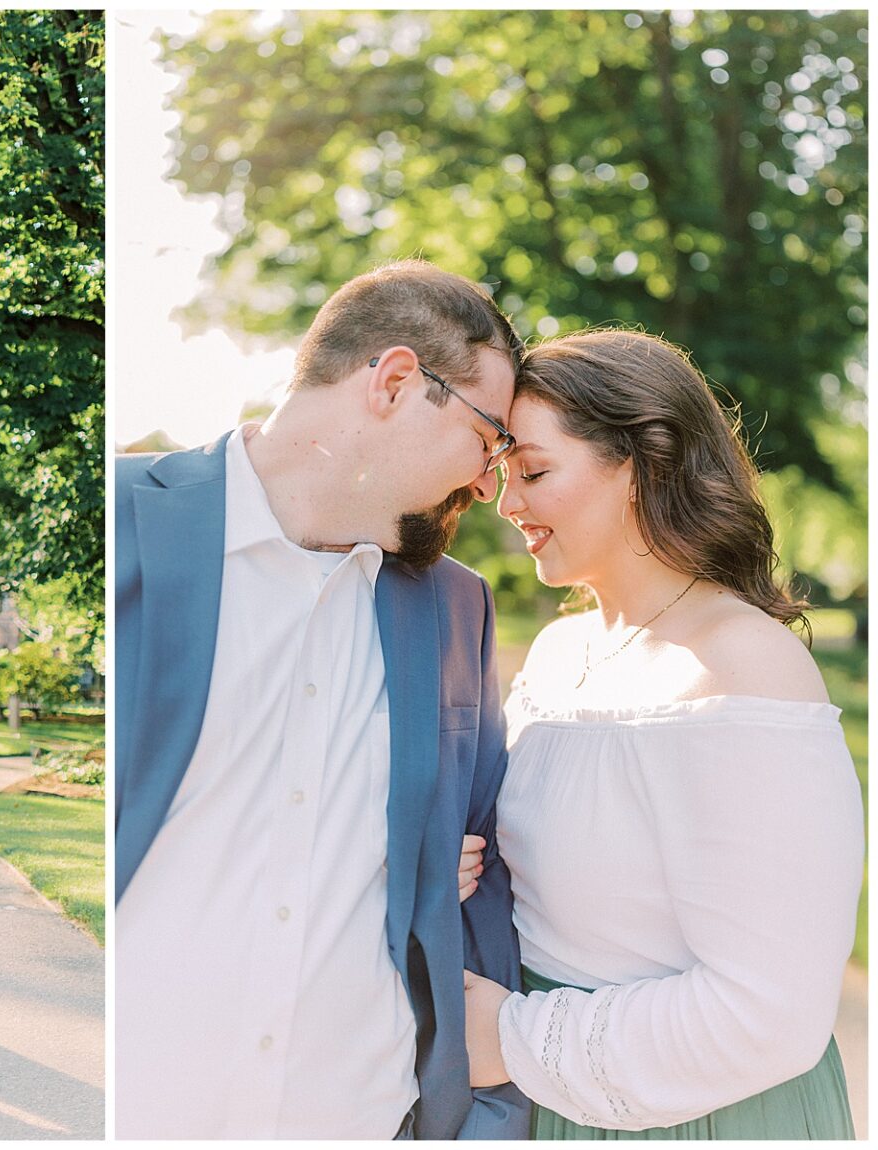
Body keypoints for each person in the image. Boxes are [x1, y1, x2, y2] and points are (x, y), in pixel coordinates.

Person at [115, 259, 530, 1139]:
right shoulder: (121, 522)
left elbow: (480, 901)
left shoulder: (459, 609)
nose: (489, 485)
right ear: (394, 383)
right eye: (489, 440)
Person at [462, 329, 863, 1138]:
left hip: (698, 1112)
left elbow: (768, 1015)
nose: (508, 505)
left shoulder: (746, 666)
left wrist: (508, 1037)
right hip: (543, 1102)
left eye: (534, 472)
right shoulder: (558, 648)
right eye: (503, 475)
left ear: (643, 468)